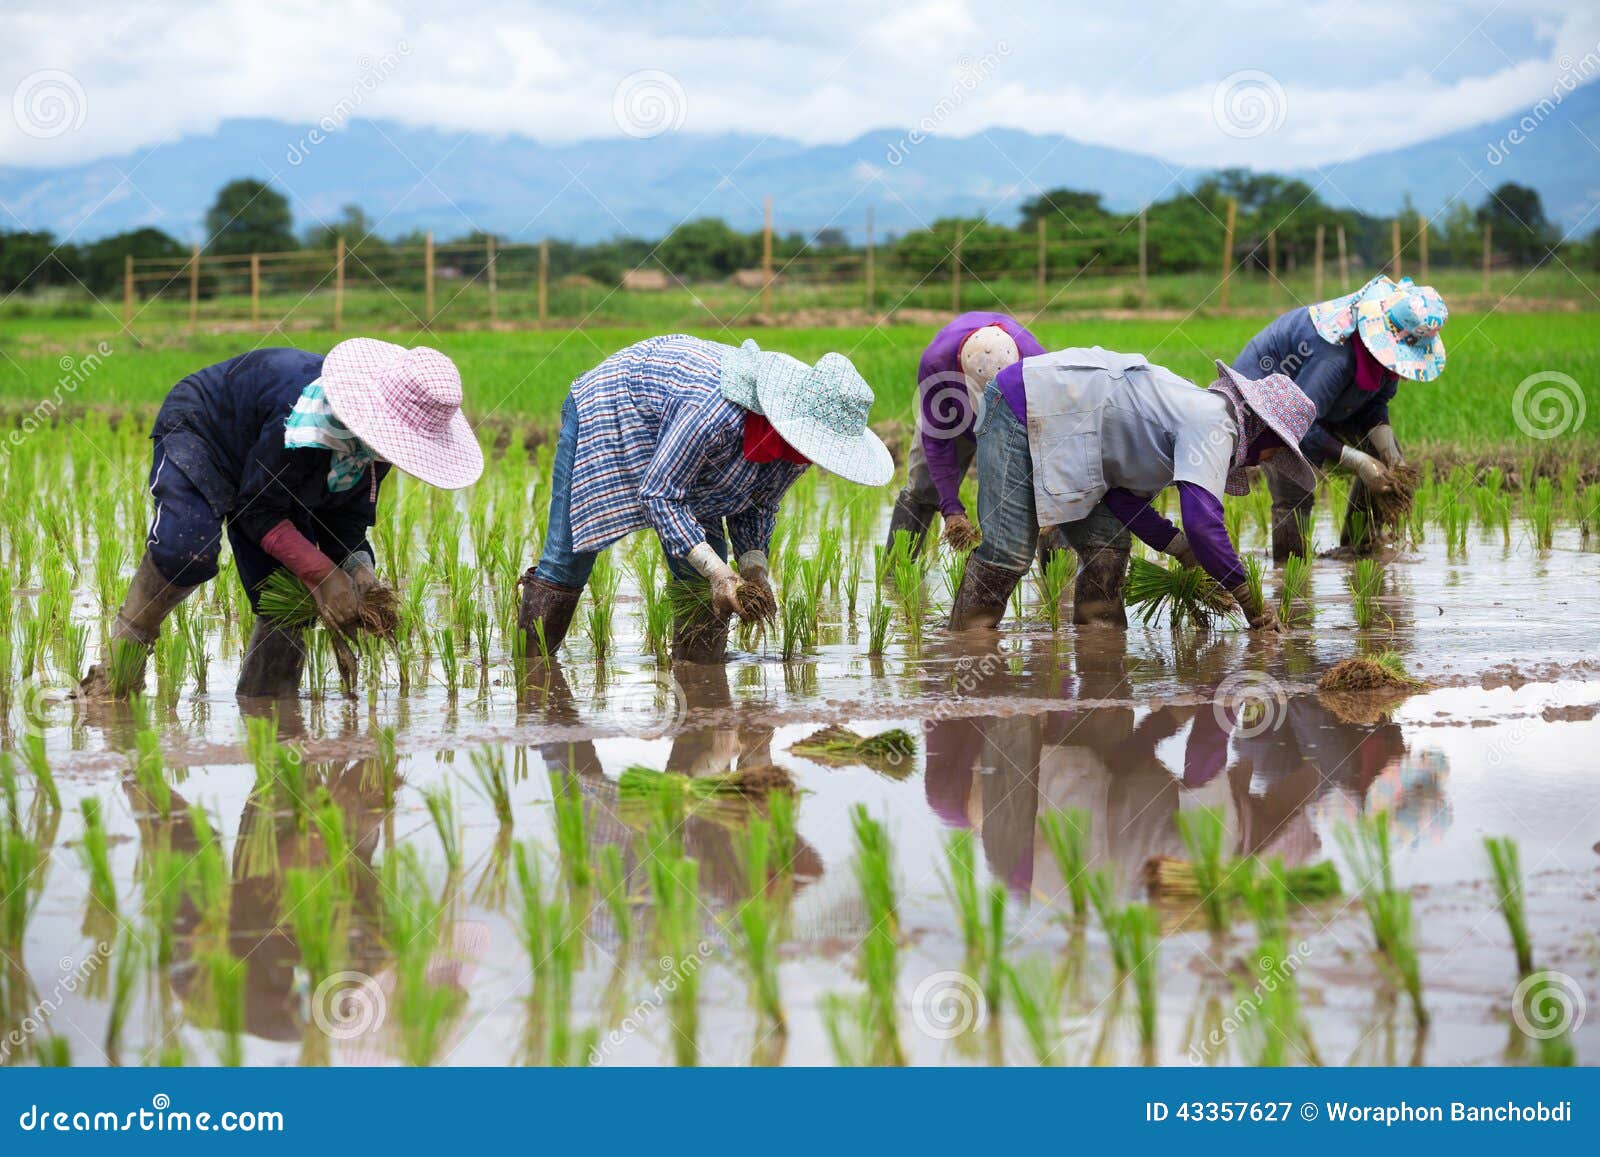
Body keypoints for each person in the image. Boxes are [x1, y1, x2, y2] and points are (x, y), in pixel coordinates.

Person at [79, 341, 483, 698]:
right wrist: (324, 575)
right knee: (186, 550)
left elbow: (344, 520)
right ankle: (116, 677)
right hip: (207, 431)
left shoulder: (373, 449)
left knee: (290, 596)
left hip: (270, 470)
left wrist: (361, 575)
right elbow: (258, 510)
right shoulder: (302, 421)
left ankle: (267, 709)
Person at [517, 334, 892, 663]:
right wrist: (718, 571)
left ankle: (698, 682)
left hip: (679, 434)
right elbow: (660, 494)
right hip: (612, 406)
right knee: (569, 557)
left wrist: (752, 570)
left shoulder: (797, 449)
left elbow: (758, 504)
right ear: (787, 419)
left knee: (708, 585)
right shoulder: (714, 416)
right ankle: (533, 677)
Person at [948, 347, 1317, 634]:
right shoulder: (1213, 425)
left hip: (1077, 435)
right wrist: (1249, 599)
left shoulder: (1195, 417)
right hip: (1022, 404)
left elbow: (1122, 500)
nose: (1267, 460)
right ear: (1264, 432)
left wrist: (1180, 549)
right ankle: (968, 645)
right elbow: (1204, 524)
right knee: (1009, 550)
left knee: (1108, 545)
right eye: (1276, 450)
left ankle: (1099, 648)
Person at [1233, 275, 1447, 559]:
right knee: (1297, 480)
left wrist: (1389, 453)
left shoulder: (1382, 358)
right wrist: (1357, 462)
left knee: (1386, 464)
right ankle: (1290, 572)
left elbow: (1375, 403)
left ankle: (1360, 550)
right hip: (1269, 406)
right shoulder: (1334, 356)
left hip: (1319, 402)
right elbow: (1299, 426)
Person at [885, 312, 1045, 556]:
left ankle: (1058, 579)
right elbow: (937, 442)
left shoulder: (1038, 364)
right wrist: (951, 509)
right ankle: (896, 575)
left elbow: (1050, 437)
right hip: (953, 414)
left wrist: (1050, 502)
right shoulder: (936, 364)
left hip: (1019, 415)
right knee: (923, 483)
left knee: (1044, 495)